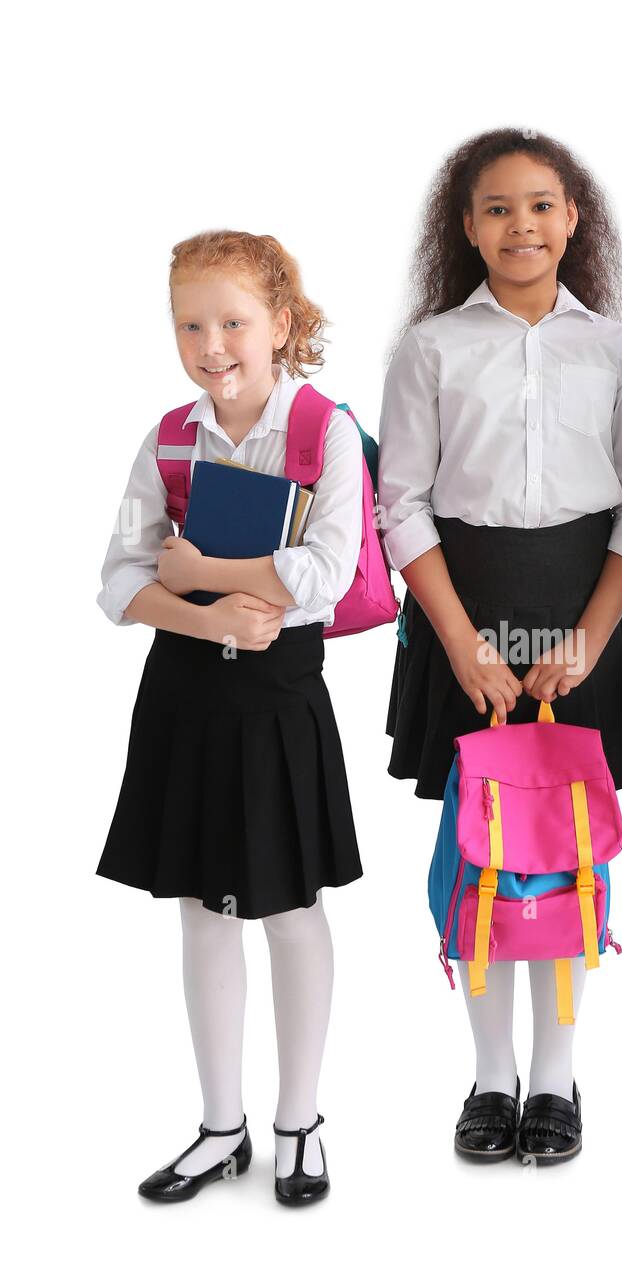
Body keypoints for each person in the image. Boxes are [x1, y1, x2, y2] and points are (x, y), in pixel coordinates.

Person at [378, 128, 622, 1163]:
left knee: (569, 851)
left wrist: (590, 634)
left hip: (585, 615)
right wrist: (459, 643)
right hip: (468, 614)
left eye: (539, 204)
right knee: (478, 847)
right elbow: (399, 503)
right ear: (464, 226)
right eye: (495, 208)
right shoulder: (431, 347)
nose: (520, 225)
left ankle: (555, 1075)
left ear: (572, 216)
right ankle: (489, 1074)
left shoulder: (618, 348)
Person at [96, 230, 364, 1204]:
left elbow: (325, 573)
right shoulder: (171, 435)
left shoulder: (321, 430)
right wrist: (197, 608)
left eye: (234, 322)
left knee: (288, 907)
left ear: (280, 325)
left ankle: (300, 1122)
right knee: (202, 909)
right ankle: (221, 1127)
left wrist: (202, 571)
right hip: (186, 690)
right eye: (191, 325)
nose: (213, 344)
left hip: (278, 695)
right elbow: (121, 579)